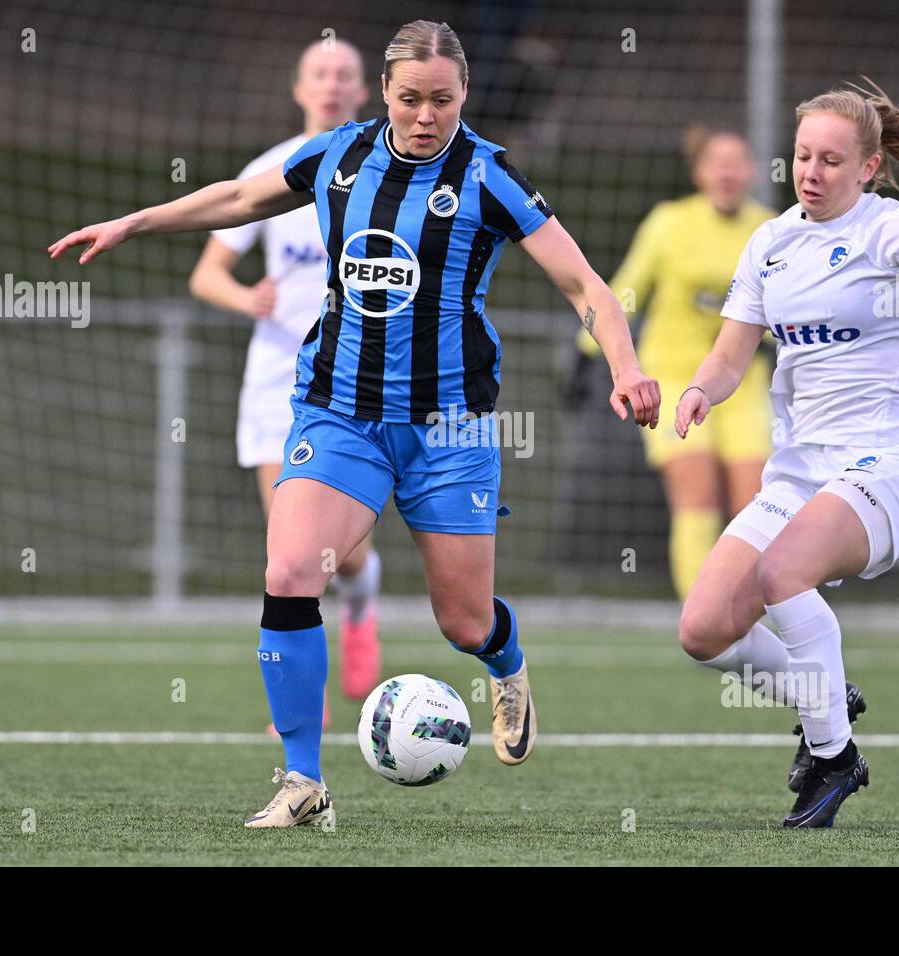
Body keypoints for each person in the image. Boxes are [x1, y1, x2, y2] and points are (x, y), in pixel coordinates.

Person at [49, 19, 660, 830]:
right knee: (291, 570)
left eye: (442, 100)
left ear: (463, 96)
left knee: (464, 621)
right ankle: (303, 781)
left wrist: (627, 365)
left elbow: (585, 285)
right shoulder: (337, 155)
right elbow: (236, 199)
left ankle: (505, 664)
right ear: (385, 93)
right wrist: (135, 222)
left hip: (449, 429)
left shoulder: (487, 176)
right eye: (409, 99)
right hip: (341, 414)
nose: (424, 116)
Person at [674, 79, 899, 828]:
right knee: (704, 629)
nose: (811, 171)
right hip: (801, 470)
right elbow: (727, 356)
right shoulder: (770, 241)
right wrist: (698, 392)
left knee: (783, 574)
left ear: (868, 169)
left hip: (888, 463)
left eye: (831, 160)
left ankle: (835, 758)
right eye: (803, 156)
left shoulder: (891, 230)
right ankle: (824, 693)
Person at [188, 39, 382, 710]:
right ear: (300, 88)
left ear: (364, 92)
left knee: (344, 556)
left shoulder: (382, 169)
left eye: (344, 77)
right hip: (278, 384)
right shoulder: (272, 170)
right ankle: (306, 691)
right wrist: (249, 298)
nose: (331, 86)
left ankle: (361, 608)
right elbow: (206, 273)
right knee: (291, 554)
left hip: (355, 384)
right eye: (320, 75)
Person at [577, 126, 776, 598]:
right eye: (717, 162)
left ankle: (752, 611)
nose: (727, 172)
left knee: (759, 504)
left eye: (737, 162)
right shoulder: (669, 223)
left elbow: (788, 307)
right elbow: (625, 290)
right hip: (671, 376)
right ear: (700, 172)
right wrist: (586, 355)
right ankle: (702, 614)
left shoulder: (770, 230)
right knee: (697, 497)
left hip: (742, 385)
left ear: (751, 171)